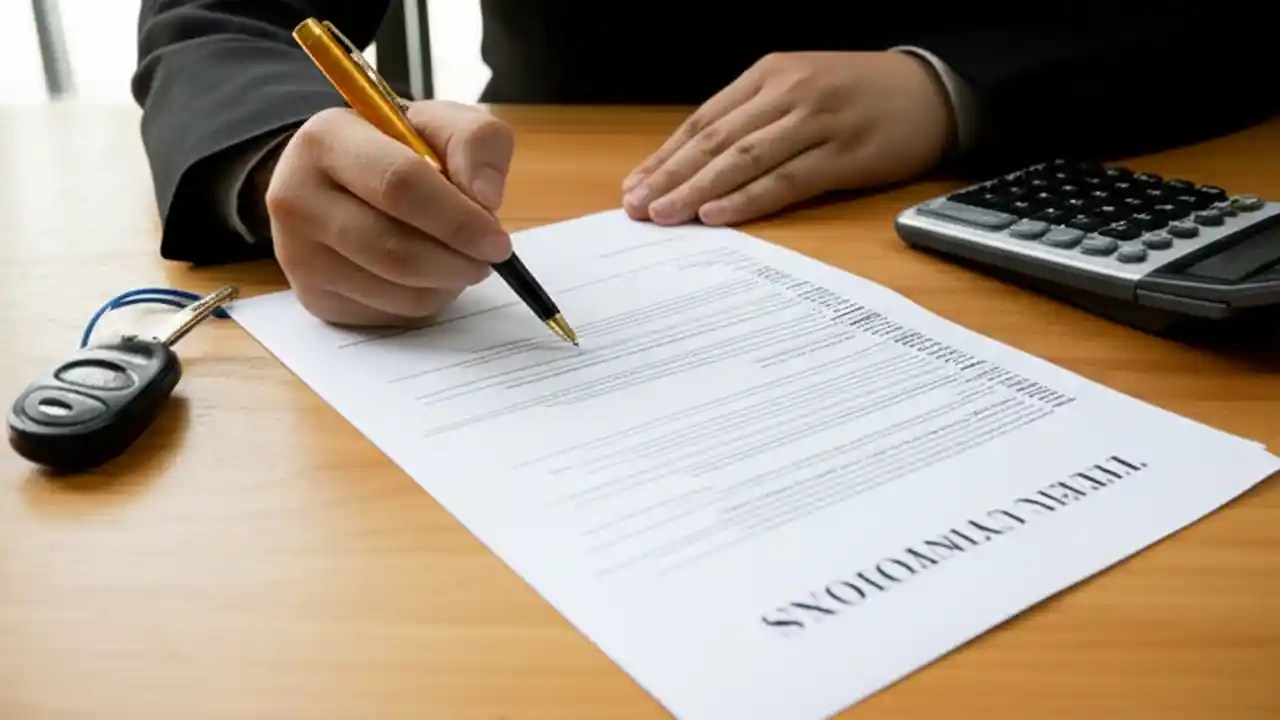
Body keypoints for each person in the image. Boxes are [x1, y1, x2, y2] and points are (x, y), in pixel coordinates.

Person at [131, 2, 1277, 327]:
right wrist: (279, 151)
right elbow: (221, 11)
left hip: (991, 184)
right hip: (577, 194)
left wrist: (956, 82)